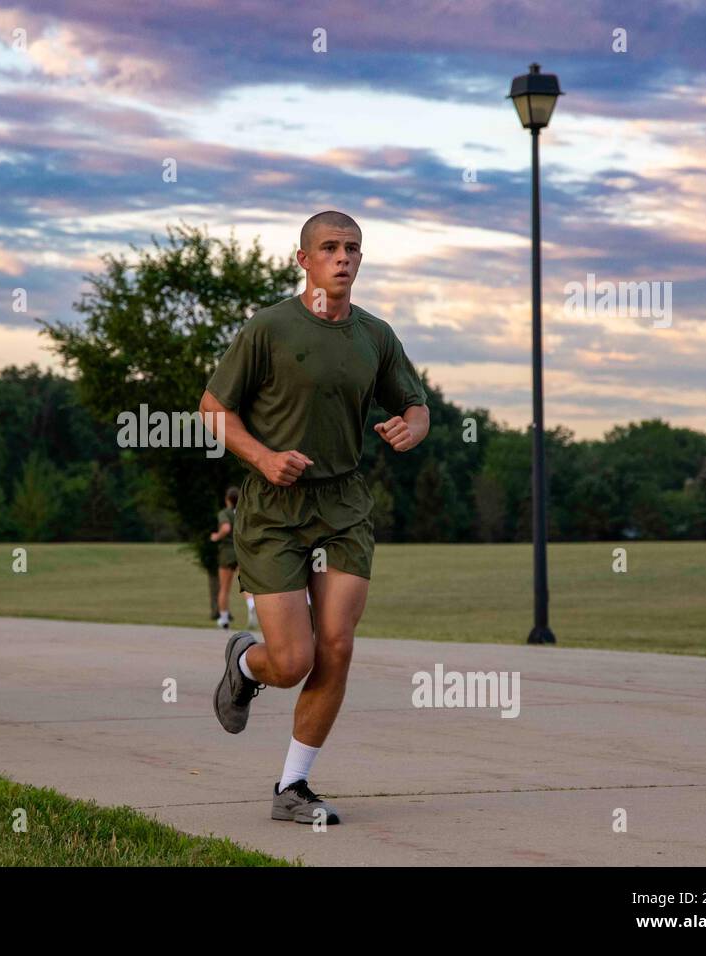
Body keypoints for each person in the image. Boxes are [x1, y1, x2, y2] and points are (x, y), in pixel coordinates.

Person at [200, 210, 430, 825]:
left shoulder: (374, 336)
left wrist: (408, 429)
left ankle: (293, 787)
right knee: (293, 660)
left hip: (344, 506)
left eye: (352, 248)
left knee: (337, 646)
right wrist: (264, 457)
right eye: (330, 247)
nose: (343, 257)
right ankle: (247, 663)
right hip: (274, 510)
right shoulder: (270, 327)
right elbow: (213, 410)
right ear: (304, 259)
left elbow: (415, 404)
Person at [211, 486, 259, 630]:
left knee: (224, 587)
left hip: (227, 552)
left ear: (227, 500)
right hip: (242, 551)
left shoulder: (224, 513)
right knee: (244, 582)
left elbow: (225, 528)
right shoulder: (245, 512)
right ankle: (251, 604)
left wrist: (216, 536)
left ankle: (224, 619)